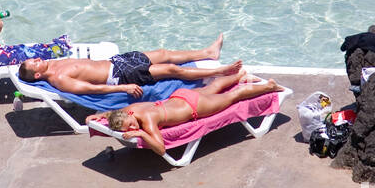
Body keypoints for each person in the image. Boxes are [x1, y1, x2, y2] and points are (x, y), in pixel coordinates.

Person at [90, 71, 281, 157]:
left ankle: (268, 86)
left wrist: (141, 134)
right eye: (129, 129)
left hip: (195, 106)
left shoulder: (147, 120)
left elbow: (161, 149)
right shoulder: (129, 112)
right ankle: (239, 75)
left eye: (131, 124)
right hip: (180, 97)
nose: (133, 128)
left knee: (233, 96)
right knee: (214, 86)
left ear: (130, 116)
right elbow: (112, 114)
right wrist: (96, 117)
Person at [18, 35, 232, 97]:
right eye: (35, 62)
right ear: (37, 75)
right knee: (171, 70)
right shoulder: (59, 79)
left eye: (35, 58)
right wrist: (123, 88)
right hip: (121, 76)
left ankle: (207, 53)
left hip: (117, 61)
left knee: (163, 53)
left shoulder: (53, 63)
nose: (38, 59)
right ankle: (219, 72)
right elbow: (93, 89)